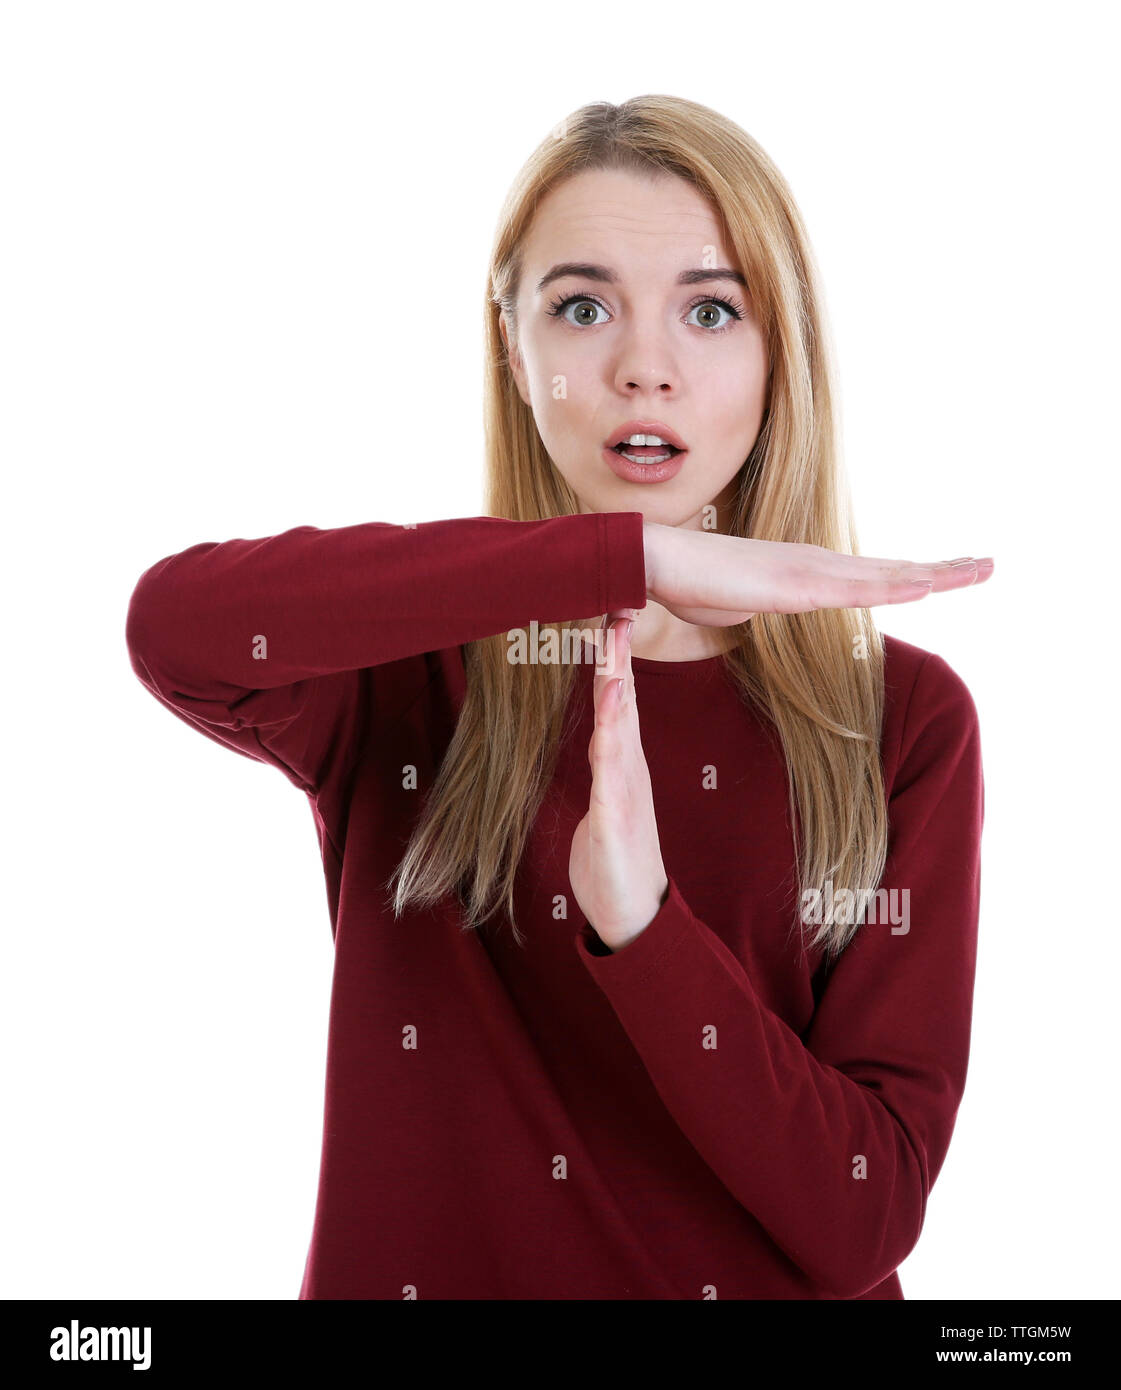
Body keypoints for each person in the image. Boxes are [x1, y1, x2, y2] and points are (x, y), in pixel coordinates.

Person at [125, 95, 991, 1300]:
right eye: (580, 308)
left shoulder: (902, 721)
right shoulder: (405, 669)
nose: (644, 365)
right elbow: (175, 625)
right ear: (512, 352)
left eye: (710, 308)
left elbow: (865, 1214)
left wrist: (643, 936)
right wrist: (615, 560)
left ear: (777, 348)